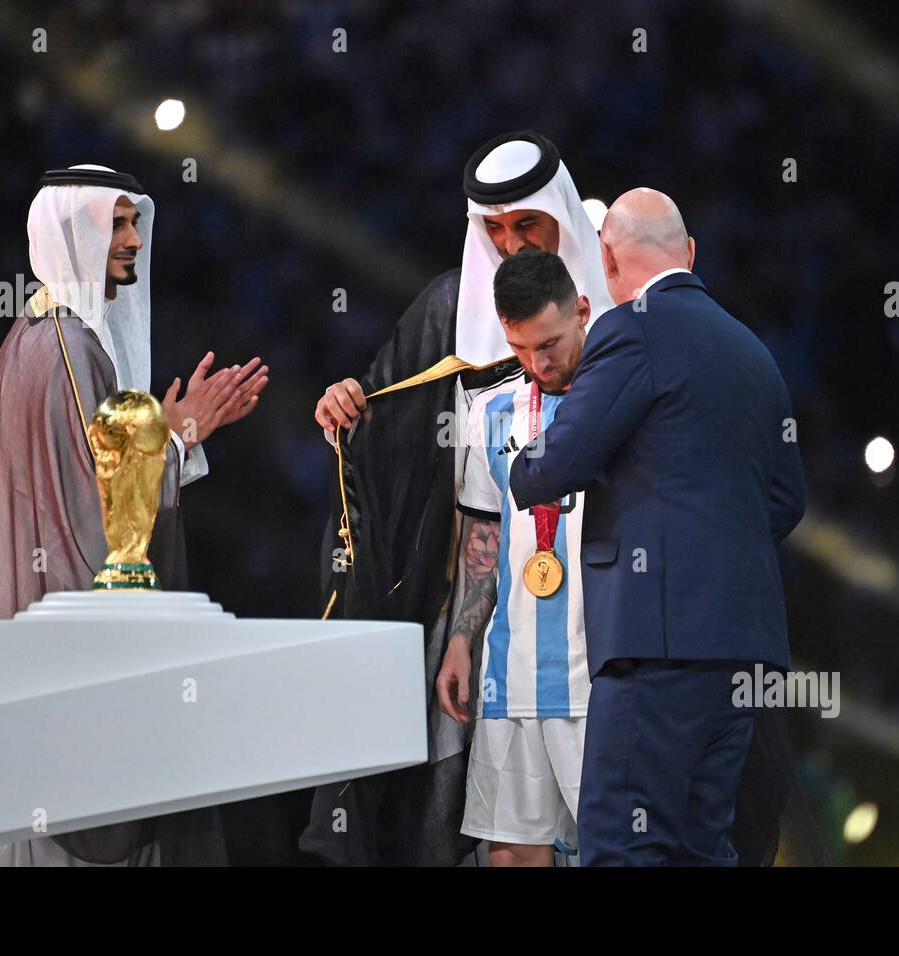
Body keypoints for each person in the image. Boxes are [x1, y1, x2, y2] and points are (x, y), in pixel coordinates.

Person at [297, 131, 615, 866]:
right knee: (468, 820)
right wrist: (347, 408)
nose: (509, 244)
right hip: (481, 613)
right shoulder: (449, 309)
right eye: (493, 229)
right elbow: (390, 426)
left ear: (560, 221)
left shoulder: (616, 320)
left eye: (526, 226)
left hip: (600, 616)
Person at [0, 164, 266, 866]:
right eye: (115, 224)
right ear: (70, 230)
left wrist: (168, 434)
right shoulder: (70, 350)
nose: (132, 240)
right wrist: (180, 439)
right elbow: (100, 522)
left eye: (134, 222)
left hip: (26, 659)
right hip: (69, 675)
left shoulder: (32, 335)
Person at [509, 188, 806, 865]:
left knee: (624, 848)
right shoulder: (753, 351)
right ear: (690, 252)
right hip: (740, 653)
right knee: (702, 850)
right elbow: (787, 499)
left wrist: (525, 456)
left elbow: (557, 466)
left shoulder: (630, 328)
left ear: (607, 260)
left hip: (657, 647)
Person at [436, 250, 592, 866]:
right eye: (522, 348)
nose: (538, 363)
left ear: (582, 312)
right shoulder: (492, 411)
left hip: (600, 679)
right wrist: (460, 640)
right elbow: (484, 534)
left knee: (623, 851)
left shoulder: (624, 403)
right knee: (512, 856)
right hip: (513, 675)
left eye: (550, 343)